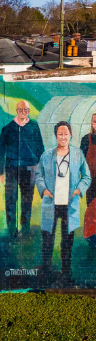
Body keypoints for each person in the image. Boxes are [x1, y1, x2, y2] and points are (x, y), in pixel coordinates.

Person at [34, 121, 91, 285]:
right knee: (47, 238)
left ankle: (66, 272)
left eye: (66, 134)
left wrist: (78, 190)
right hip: (51, 204)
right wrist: (44, 189)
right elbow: (38, 174)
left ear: (71, 135)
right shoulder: (47, 155)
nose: (63, 137)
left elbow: (86, 176)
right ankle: (45, 271)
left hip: (69, 204)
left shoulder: (78, 154)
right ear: (55, 136)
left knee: (67, 240)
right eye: (60, 134)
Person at [0, 100, 44, 238]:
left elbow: (40, 148)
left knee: (27, 199)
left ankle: (25, 228)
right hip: (11, 168)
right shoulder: (8, 128)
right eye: (20, 110)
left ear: (28, 111)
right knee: (10, 199)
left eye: (25, 110)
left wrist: (41, 169)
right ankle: (11, 229)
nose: (23, 112)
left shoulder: (34, 126)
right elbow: (1, 151)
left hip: (30, 168)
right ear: (16, 111)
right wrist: (1, 172)